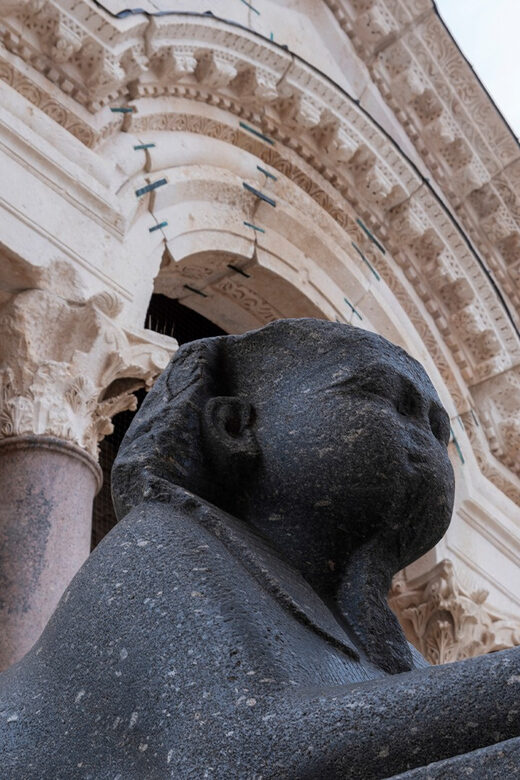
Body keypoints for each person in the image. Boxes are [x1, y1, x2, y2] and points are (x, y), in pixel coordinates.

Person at [0, 319, 518, 778]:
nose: (425, 441)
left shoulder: (395, 652)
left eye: (436, 429)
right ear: (234, 425)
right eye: (386, 398)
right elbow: (233, 754)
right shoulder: (164, 543)